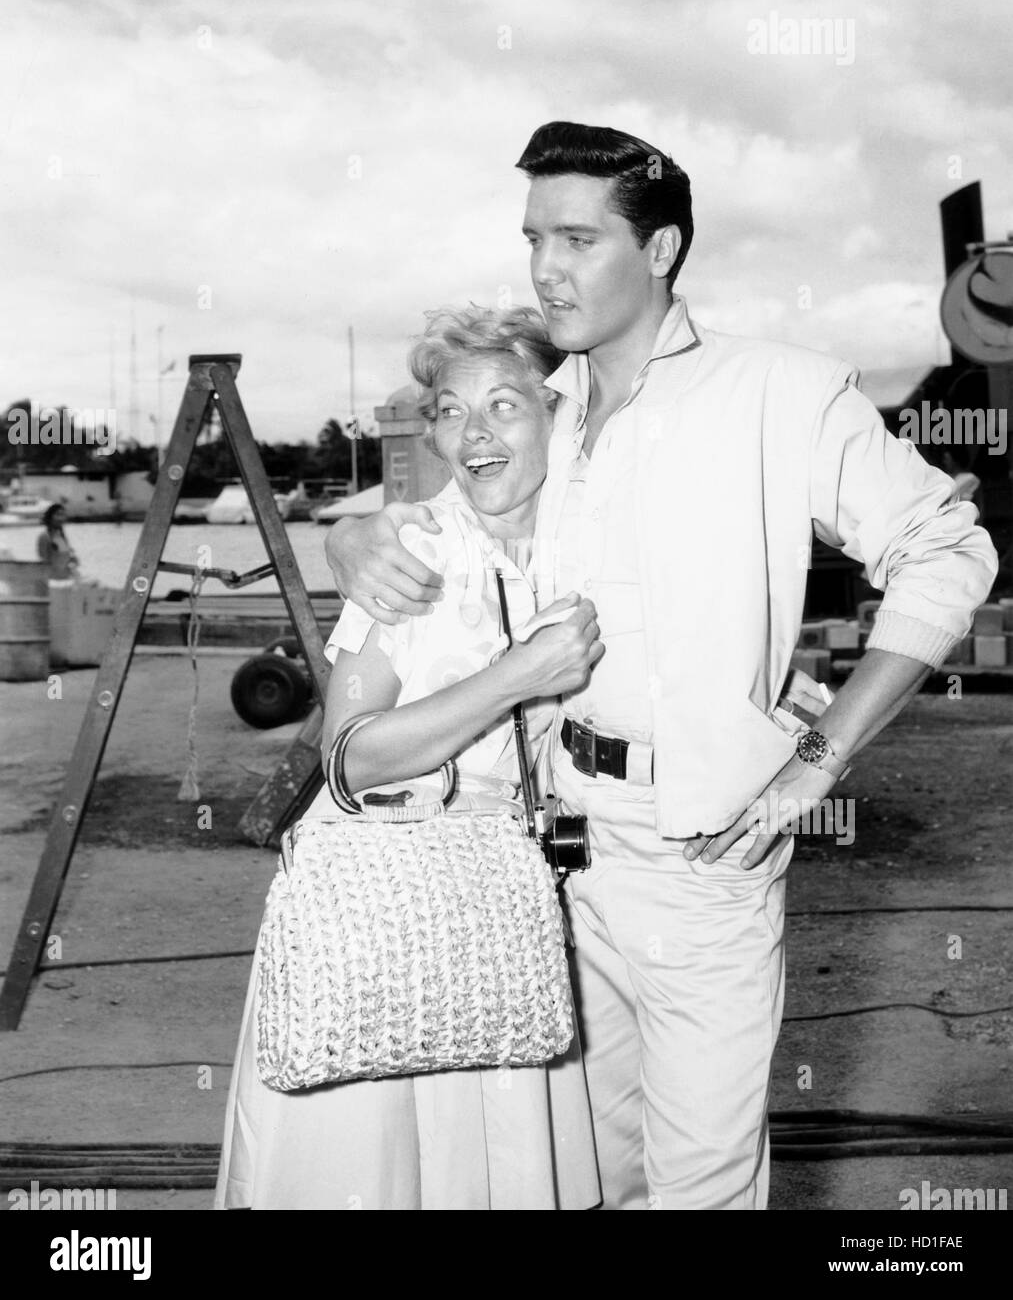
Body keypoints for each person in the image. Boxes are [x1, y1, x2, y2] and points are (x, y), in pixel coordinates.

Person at [324, 121, 999, 1210]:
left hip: (699, 859)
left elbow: (947, 549)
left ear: (660, 249)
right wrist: (346, 535)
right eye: (533, 238)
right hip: (545, 859)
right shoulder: (551, 409)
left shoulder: (776, 393)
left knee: (699, 1189)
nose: (546, 268)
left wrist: (817, 758)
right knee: (587, 1175)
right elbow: (457, 501)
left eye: (578, 239)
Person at [216, 305, 604, 1211]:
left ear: (562, 416)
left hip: (505, 910)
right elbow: (347, 759)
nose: (472, 433)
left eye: (505, 405)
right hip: (392, 904)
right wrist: (512, 677)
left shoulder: (589, 549)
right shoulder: (414, 551)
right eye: (449, 409)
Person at [36, 503, 79, 580]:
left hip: (66, 577)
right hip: (53, 580)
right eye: (58, 515)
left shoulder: (61, 537)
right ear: (50, 517)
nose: (60, 518)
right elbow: (43, 561)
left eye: (63, 515)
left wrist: (73, 560)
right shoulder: (44, 537)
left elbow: (64, 558)